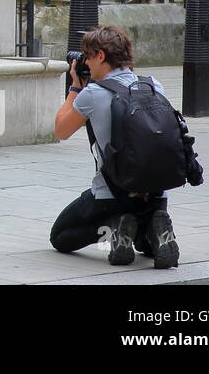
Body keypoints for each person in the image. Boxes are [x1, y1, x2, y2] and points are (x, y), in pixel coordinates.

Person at [50, 26, 180, 267]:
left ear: (100, 56)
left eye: (88, 57)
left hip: (113, 194)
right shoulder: (153, 85)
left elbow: (60, 130)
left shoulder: (93, 94)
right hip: (157, 193)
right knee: (146, 247)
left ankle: (115, 226)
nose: (86, 62)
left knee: (60, 237)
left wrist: (75, 87)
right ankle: (154, 226)